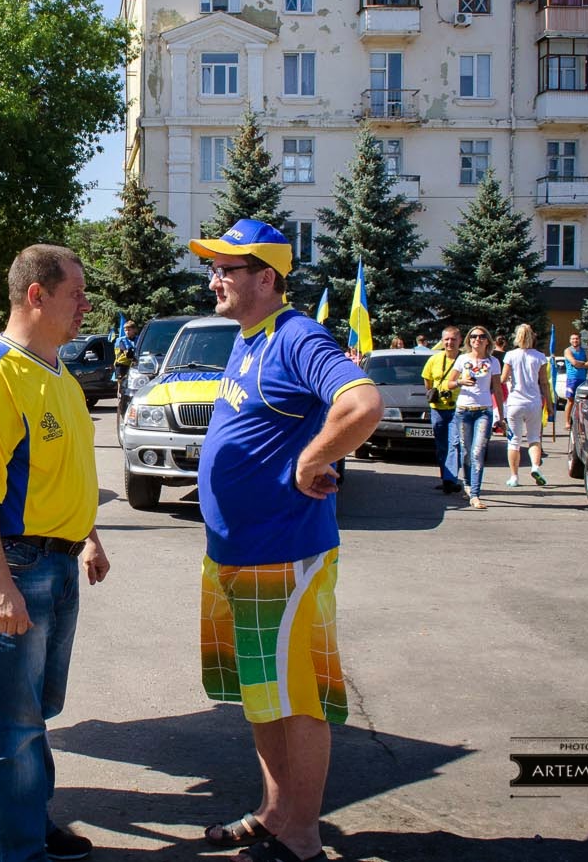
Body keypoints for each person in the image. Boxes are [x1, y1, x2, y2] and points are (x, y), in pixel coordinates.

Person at [189, 220, 380, 862]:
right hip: (238, 554)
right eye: (212, 268)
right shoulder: (248, 339)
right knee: (260, 693)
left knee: (296, 697)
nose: (214, 279)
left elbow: (362, 403)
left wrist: (312, 459)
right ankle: (275, 813)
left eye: (227, 269)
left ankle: (302, 831)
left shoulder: (298, 335)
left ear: (265, 278)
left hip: (285, 556)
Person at [0, 243, 110, 862]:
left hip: (57, 561)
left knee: (35, 711)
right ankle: (12, 850)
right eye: (76, 293)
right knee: (8, 722)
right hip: (13, 566)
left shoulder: (59, 373)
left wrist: (88, 536)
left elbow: (65, 470)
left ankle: (29, 822)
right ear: (36, 295)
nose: (85, 305)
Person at [445, 327, 503, 511]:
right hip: (463, 410)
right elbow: (449, 383)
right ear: (469, 340)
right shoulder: (462, 359)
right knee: (466, 451)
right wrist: (460, 382)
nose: (477, 340)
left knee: (478, 453)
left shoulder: (493, 362)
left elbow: (498, 389)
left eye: (481, 336)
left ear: (488, 340)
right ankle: (468, 485)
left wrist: (501, 414)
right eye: (474, 337)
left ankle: (476, 494)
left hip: (483, 411)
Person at [501, 323, 553, 489]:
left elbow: (502, 379)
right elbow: (544, 383)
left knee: (514, 441)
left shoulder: (510, 355)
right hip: (534, 401)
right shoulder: (539, 357)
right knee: (534, 438)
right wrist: (550, 404)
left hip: (515, 401)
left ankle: (514, 476)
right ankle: (535, 467)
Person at [421, 326, 463, 495]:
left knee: (455, 443)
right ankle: (445, 477)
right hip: (437, 408)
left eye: (453, 339)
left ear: (460, 341)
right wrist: (433, 393)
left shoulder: (464, 360)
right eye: (446, 339)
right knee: (441, 445)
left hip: (458, 408)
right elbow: (427, 378)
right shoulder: (435, 359)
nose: (449, 342)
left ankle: (450, 480)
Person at [562, 332, 588, 428]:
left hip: (582, 378)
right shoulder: (568, 350)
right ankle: (567, 421)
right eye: (573, 339)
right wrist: (583, 364)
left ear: (579, 340)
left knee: (582, 402)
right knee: (570, 400)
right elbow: (573, 362)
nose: (575, 340)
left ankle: (580, 422)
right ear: (570, 340)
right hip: (572, 379)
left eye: (577, 339)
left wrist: (581, 364)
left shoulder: (584, 351)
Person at [112, 318, 139, 397]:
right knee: (121, 381)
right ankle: (120, 394)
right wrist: (130, 352)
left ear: (134, 330)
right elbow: (127, 353)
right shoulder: (121, 340)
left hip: (135, 364)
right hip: (122, 364)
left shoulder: (139, 339)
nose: (127, 332)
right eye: (125, 330)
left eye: (129, 330)